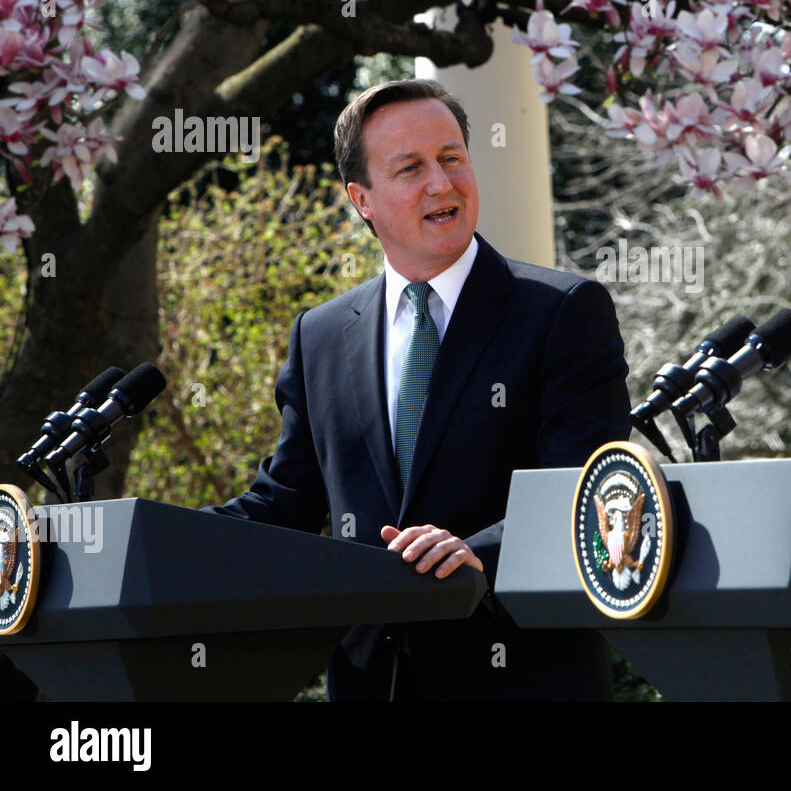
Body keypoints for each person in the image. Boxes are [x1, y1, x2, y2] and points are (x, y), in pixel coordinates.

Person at [207, 78, 631, 700]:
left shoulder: (563, 312)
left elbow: (582, 493)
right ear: (363, 200)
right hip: (370, 684)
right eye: (410, 168)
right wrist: (156, 540)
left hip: (520, 677)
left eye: (452, 157)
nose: (441, 183)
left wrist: (474, 551)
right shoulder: (319, 336)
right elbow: (284, 505)